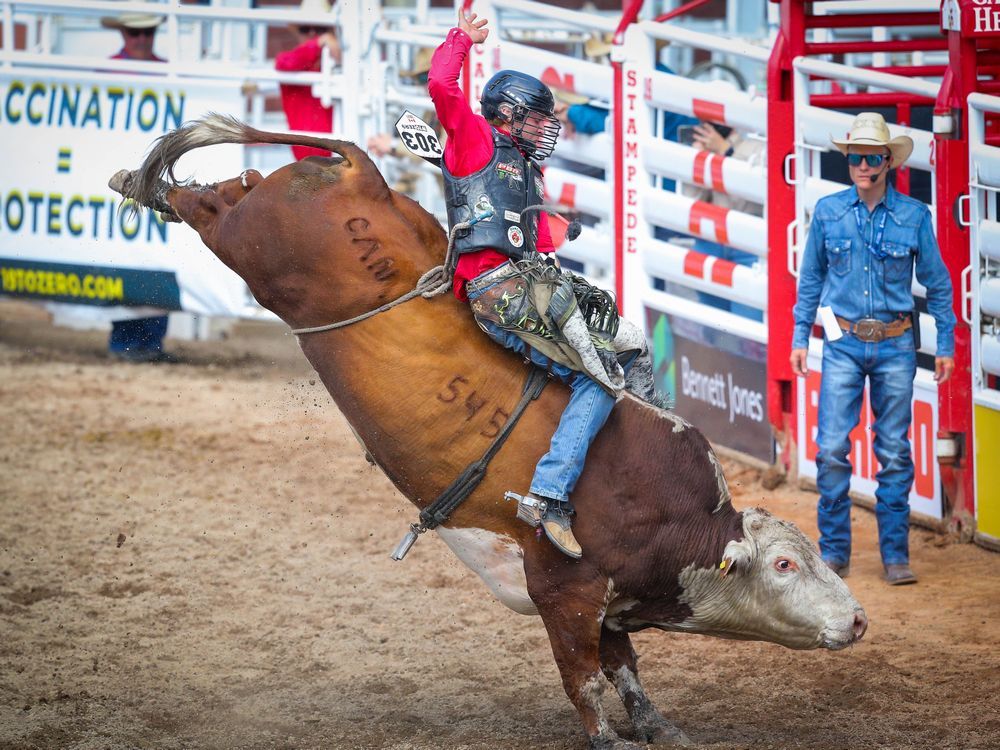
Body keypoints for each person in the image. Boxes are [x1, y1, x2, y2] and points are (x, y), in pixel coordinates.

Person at [429, 11, 655, 560]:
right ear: (507, 114)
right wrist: (462, 39)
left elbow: (524, 234)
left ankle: (648, 444)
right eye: (535, 118)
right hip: (498, 290)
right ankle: (549, 494)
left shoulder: (524, 166)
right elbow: (441, 84)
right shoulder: (474, 138)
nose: (543, 127)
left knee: (629, 344)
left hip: (526, 283)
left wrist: (559, 228)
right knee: (598, 376)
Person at [789, 112, 956, 586]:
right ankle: (834, 552)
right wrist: (801, 337)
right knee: (833, 449)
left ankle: (895, 556)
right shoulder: (828, 212)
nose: (863, 166)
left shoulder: (913, 216)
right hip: (843, 343)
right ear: (850, 162)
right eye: (856, 158)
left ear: (888, 162)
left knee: (893, 450)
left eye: (871, 158)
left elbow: (939, 285)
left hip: (895, 343)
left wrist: (945, 343)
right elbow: (811, 280)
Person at [99, 12, 171, 361]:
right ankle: (125, 341)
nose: (142, 39)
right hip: (123, 169)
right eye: (135, 33)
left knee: (159, 249)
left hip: (152, 168)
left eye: (147, 33)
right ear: (125, 34)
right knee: (127, 248)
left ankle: (151, 341)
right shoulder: (108, 71)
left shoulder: (166, 70)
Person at [685, 119, 765, 321]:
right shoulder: (705, 148)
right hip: (711, 241)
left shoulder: (757, 145)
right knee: (713, 323)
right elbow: (690, 201)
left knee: (748, 322)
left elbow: (748, 200)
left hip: (747, 245)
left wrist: (726, 153)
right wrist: (699, 158)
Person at [274, 0, 340, 161]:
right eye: (305, 29)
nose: (312, 34)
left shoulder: (338, 63)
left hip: (338, 151)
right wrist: (319, 43)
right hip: (308, 157)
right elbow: (284, 63)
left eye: (319, 29)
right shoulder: (288, 60)